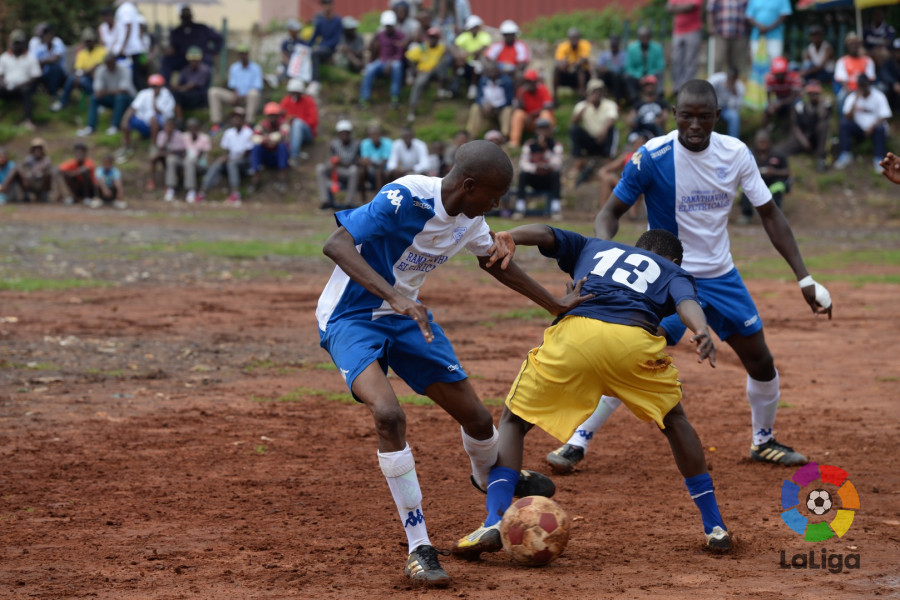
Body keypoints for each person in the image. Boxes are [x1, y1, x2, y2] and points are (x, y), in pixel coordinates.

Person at [315, 139, 573, 586]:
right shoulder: (405, 196)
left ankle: (485, 477)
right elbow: (336, 243)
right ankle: (419, 548)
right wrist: (394, 296)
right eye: (493, 197)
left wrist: (555, 305)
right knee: (389, 415)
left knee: (476, 418)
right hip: (351, 317)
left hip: (406, 316)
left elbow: (495, 262)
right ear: (468, 186)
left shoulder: (471, 219)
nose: (496, 205)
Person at [545, 79, 833, 474]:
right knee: (633, 353)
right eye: (686, 116)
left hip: (721, 276)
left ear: (717, 117)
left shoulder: (736, 154)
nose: (694, 125)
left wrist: (804, 278)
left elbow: (770, 214)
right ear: (674, 115)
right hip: (664, 279)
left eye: (703, 117)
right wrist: (599, 258)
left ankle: (763, 441)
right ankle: (578, 440)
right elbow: (609, 212)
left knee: (761, 361)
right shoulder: (652, 156)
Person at [452, 226, 734, 558]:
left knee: (514, 420)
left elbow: (546, 233)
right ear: (671, 259)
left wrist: (511, 234)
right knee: (674, 421)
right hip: (632, 342)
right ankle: (714, 526)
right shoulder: (675, 271)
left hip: (576, 334)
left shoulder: (595, 245)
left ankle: (493, 520)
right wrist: (700, 329)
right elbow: (687, 304)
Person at [834, 74, 892, 173]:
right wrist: (856, 99)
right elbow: (847, 116)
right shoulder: (853, 97)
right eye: (861, 85)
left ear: (869, 85)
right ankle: (845, 153)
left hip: (875, 129)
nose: (863, 88)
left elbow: (886, 115)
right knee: (844, 124)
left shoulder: (879, 96)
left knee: (881, 128)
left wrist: (872, 127)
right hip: (859, 129)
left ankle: (879, 158)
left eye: (865, 85)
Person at [198, 109, 254, 205]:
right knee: (218, 163)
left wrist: (232, 159)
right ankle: (203, 192)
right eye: (234, 118)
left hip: (245, 162)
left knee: (232, 163)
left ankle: (235, 193)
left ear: (243, 119)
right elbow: (227, 151)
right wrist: (224, 158)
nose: (236, 120)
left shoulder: (248, 132)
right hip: (231, 160)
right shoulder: (229, 133)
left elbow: (247, 153)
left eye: (238, 118)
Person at [775, 80, 831, 172]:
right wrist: (803, 141)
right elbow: (795, 126)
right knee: (784, 149)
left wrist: (820, 103)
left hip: (819, 138)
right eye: (811, 94)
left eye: (816, 94)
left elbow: (823, 116)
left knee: (823, 125)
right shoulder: (800, 106)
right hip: (804, 136)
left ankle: (821, 159)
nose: (813, 96)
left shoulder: (825, 105)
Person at [513, 118, 563, 220]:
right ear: (536, 130)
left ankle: (555, 209)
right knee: (522, 175)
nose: (543, 131)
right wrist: (536, 168)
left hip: (548, 179)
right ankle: (520, 208)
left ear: (550, 130)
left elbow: (557, 163)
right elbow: (523, 163)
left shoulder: (556, 145)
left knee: (556, 174)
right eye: (540, 129)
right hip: (534, 178)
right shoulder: (529, 144)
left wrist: (545, 150)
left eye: (545, 129)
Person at [569, 79, 619, 181]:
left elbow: (612, 119)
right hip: (590, 140)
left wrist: (604, 130)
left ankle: (609, 160)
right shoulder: (582, 105)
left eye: (599, 91)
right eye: (594, 91)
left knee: (612, 130)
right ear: (589, 92)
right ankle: (578, 162)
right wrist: (587, 105)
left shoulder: (610, 104)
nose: (597, 94)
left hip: (604, 139)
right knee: (573, 130)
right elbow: (574, 121)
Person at [119, 74, 176, 161]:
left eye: (156, 86)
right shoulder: (144, 93)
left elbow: (162, 112)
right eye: (153, 86)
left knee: (154, 119)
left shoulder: (166, 95)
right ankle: (126, 147)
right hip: (145, 123)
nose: (154, 88)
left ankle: (153, 146)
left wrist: (154, 99)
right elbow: (133, 108)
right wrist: (125, 120)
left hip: (161, 124)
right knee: (129, 119)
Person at [208, 45, 263, 134]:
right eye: (241, 54)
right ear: (238, 55)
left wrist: (243, 96)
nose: (243, 56)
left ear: (248, 54)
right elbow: (232, 85)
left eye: (245, 53)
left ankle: (249, 123)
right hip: (235, 96)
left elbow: (257, 86)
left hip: (248, 97)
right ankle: (217, 123)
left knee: (254, 93)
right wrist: (236, 94)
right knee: (213, 92)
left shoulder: (256, 68)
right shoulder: (234, 67)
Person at [161, 4, 222, 83]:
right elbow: (173, 47)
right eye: (184, 16)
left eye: (187, 16)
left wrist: (211, 52)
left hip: (201, 58)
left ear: (191, 16)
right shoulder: (177, 32)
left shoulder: (201, 28)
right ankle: (163, 86)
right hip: (183, 59)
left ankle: (204, 90)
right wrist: (170, 50)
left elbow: (219, 39)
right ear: (181, 17)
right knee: (167, 60)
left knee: (207, 63)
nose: (186, 18)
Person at [77, 53, 135, 137]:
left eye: (111, 63)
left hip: (128, 99)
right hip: (111, 98)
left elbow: (123, 90)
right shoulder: (101, 70)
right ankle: (91, 126)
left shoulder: (124, 70)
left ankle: (115, 126)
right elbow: (97, 89)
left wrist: (104, 92)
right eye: (107, 63)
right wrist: (100, 92)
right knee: (94, 98)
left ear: (115, 62)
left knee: (119, 97)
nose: (109, 65)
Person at [739, 129, 789, 224]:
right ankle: (746, 215)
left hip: (772, 181)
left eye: (765, 142)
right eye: (760, 142)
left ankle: (775, 216)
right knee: (743, 187)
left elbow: (787, 172)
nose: (763, 144)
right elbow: (740, 170)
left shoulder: (778, 154)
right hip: (754, 183)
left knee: (778, 186)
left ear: (769, 142)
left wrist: (774, 172)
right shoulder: (748, 153)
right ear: (755, 142)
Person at [359, 11, 406, 109]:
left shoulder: (400, 35)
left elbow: (400, 54)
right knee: (369, 68)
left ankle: (395, 97)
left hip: (394, 61)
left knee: (397, 66)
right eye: (386, 26)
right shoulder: (380, 34)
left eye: (390, 25)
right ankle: (364, 99)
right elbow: (370, 47)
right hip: (381, 61)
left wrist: (391, 62)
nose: (388, 28)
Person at [596, 131, 650, 217]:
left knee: (638, 186)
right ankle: (603, 211)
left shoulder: (648, 157)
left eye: (640, 143)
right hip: (625, 183)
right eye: (636, 143)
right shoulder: (627, 156)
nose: (637, 145)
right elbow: (610, 167)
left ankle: (633, 212)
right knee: (608, 179)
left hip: (639, 184)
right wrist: (602, 172)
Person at [406, 27, 450, 122]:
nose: (432, 39)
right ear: (427, 38)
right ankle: (412, 110)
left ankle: (441, 89)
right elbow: (409, 56)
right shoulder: (422, 47)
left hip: (436, 71)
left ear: (438, 38)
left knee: (445, 61)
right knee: (418, 84)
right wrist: (414, 70)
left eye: (434, 37)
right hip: (424, 71)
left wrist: (443, 40)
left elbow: (447, 54)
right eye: (430, 37)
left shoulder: (441, 47)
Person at [0, 29, 41, 131]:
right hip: (6, 87)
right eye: (16, 43)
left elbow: (35, 76)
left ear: (24, 43)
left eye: (20, 43)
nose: (18, 46)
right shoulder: (4, 57)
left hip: (23, 88)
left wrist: (19, 85)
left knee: (26, 90)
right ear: (11, 43)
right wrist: (5, 84)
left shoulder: (31, 57)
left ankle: (28, 120)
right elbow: (0, 75)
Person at [57, 28, 106, 112]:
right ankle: (62, 102)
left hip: (98, 77)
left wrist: (86, 71)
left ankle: (98, 101)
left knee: (83, 79)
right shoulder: (82, 53)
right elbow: (78, 68)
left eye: (90, 41)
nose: (88, 43)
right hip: (85, 76)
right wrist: (80, 74)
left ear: (94, 40)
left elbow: (98, 66)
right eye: (86, 41)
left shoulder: (102, 51)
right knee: (73, 79)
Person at [317, 119, 361, 209]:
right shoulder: (334, 144)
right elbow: (328, 159)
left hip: (349, 172)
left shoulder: (356, 144)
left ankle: (348, 202)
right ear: (339, 134)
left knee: (354, 169)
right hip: (336, 170)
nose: (344, 135)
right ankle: (325, 201)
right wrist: (333, 162)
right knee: (320, 168)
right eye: (342, 133)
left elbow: (357, 162)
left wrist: (343, 162)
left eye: (346, 133)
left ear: (349, 133)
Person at [249, 103, 290, 194]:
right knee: (256, 148)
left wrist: (266, 138)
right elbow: (254, 137)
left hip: (279, 156)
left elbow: (283, 135)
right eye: (270, 115)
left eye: (274, 115)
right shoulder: (262, 124)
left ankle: (283, 180)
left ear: (278, 115)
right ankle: (255, 179)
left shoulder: (283, 123)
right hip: (267, 155)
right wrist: (267, 140)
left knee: (282, 146)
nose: (272, 118)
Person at [466, 63, 514, 140]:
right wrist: (483, 105)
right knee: (475, 107)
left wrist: (495, 106)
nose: (492, 73)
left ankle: (505, 135)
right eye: (489, 71)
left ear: (498, 71)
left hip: (500, 108)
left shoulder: (506, 81)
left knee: (508, 110)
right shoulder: (483, 80)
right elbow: (479, 96)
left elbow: (508, 100)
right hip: (486, 107)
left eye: (493, 70)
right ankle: (472, 134)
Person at [110, 0, 148, 91]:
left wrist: (122, 47)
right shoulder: (130, 7)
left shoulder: (125, 8)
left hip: (129, 49)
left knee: (134, 78)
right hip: (132, 48)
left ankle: (141, 98)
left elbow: (128, 26)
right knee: (135, 77)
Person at [451, 15, 492, 100]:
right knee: (455, 60)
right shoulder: (466, 35)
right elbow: (455, 45)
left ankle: (473, 87)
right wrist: (458, 55)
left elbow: (483, 48)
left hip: (480, 62)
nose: (473, 30)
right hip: (466, 61)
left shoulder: (484, 35)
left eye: (474, 27)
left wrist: (468, 53)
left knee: (477, 64)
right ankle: (456, 82)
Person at [0, 138, 52, 203]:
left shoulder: (46, 160)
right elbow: (20, 165)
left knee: (48, 173)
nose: (37, 150)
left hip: (41, 183)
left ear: (43, 150)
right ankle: (25, 194)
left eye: (40, 148)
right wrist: (24, 175)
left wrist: (34, 171)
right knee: (18, 169)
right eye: (35, 148)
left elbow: (40, 168)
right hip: (30, 181)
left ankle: (45, 194)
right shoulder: (29, 158)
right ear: (32, 149)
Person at [667, 0, 703, 94]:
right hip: (678, 31)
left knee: (690, 61)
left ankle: (688, 87)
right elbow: (669, 8)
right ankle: (677, 88)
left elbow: (690, 7)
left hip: (693, 30)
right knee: (676, 60)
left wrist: (676, 8)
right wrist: (683, 7)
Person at [280, 79, 319, 165]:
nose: (294, 95)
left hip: (306, 134)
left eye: (296, 92)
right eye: (292, 92)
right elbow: (281, 118)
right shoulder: (286, 100)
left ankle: (294, 156)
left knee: (297, 124)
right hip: (289, 132)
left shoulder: (309, 101)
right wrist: (287, 119)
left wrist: (297, 119)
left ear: (301, 92)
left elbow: (314, 121)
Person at [30, 24, 67, 109]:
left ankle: (53, 95)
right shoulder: (41, 48)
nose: (48, 36)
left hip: (60, 75)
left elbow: (55, 59)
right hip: (45, 74)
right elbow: (34, 62)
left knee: (54, 68)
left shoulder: (58, 43)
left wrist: (43, 61)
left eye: (50, 34)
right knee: (34, 73)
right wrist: (46, 61)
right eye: (46, 34)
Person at [706, 0, 749, 76]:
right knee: (718, 61)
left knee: (737, 64)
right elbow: (710, 10)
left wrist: (748, 31)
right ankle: (716, 84)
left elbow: (749, 13)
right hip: (721, 34)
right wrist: (710, 27)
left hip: (739, 34)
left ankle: (735, 85)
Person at [834, 32, 875, 109]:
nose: (854, 46)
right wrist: (851, 93)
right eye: (851, 44)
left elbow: (870, 79)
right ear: (847, 46)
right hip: (848, 90)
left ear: (860, 45)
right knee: (840, 98)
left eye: (856, 43)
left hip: (865, 89)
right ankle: (844, 120)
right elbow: (843, 81)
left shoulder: (868, 60)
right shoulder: (842, 61)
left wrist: (862, 92)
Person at [624, 27, 665, 102]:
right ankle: (635, 100)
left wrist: (649, 76)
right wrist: (639, 76)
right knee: (628, 76)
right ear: (638, 37)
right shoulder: (631, 48)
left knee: (660, 73)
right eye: (642, 36)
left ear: (650, 37)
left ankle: (659, 99)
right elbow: (628, 67)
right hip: (637, 77)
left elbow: (660, 66)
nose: (644, 39)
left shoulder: (657, 48)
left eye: (646, 36)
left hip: (653, 75)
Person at [171, 46, 212, 120]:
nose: (193, 62)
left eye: (195, 60)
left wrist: (182, 88)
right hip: (186, 96)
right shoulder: (185, 70)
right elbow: (177, 84)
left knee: (177, 95)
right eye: (191, 60)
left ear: (199, 60)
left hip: (198, 97)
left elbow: (192, 85)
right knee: (174, 95)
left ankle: (179, 119)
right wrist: (178, 87)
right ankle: (178, 120)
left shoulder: (204, 70)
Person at [309, 0, 344, 82]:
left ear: (331, 6)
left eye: (327, 5)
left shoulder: (337, 21)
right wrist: (304, 45)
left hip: (331, 48)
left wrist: (322, 46)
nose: (326, 7)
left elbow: (336, 39)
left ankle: (315, 81)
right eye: (324, 5)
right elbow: (314, 37)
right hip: (321, 48)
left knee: (315, 53)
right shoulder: (320, 21)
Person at [151, 117, 186, 198]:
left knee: (171, 159)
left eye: (171, 126)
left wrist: (165, 153)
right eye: (167, 125)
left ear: (174, 126)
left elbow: (179, 151)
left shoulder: (178, 134)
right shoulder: (162, 134)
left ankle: (170, 188)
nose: (169, 127)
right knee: (154, 158)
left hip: (178, 159)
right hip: (165, 156)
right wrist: (167, 137)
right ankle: (152, 180)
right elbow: (160, 148)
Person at [763, 56, 802, 129]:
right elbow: (768, 96)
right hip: (780, 98)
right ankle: (764, 131)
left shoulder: (794, 76)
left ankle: (794, 130)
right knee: (767, 109)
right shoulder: (769, 78)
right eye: (777, 74)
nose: (779, 76)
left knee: (796, 108)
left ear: (786, 71)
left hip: (794, 99)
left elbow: (793, 97)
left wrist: (780, 103)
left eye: (781, 73)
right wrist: (771, 105)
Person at [179, 118, 211, 203]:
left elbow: (202, 154)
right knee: (186, 162)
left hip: (200, 164)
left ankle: (191, 190)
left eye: (195, 127)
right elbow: (182, 152)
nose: (193, 130)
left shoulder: (204, 138)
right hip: (186, 162)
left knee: (189, 162)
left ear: (199, 128)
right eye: (190, 127)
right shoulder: (184, 137)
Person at [554, 28, 591, 99]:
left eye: (576, 37)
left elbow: (584, 59)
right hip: (567, 73)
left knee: (580, 69)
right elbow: (558, 61)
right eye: (572, 38)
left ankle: (582, 97)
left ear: (579, 37)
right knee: (556, 70)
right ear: (568, 38)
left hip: (582, 74)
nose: (574, 40)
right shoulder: (563, 46)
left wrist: (571, 63)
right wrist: (562, 64)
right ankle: (555, 98)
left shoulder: (585, 44)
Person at [708, 67, 745, 138]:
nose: (730, 80)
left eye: (733, 79)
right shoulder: (717, 79)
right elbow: (705, 90)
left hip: (725, 110)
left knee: (734, 117)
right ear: (727, 75)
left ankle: (734, 142)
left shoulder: (739, 87)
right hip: (711, 107)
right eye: (729, 78)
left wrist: (735, 94)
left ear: (736, 78)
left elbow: (737, 108)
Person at [359, 121, 393, 192]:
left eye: (376, 134)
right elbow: (365, 161)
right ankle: (363, 197)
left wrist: (370, 161)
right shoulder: (365, 143)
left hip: (385, 170)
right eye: (372, 135)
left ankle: (379, 195)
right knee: (361, 171)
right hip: (370, 170)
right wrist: (368, 162)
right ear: (369, 136)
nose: (374, 137)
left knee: (378, 172)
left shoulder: (388, 143)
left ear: (380, 135)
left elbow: (383, 163)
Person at [594, 35, 628, 104]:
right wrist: (600, 68)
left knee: (616, 76)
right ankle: (599, 100)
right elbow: (599, 65)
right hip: (607, 78)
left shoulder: (624, 55)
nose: (613, 47)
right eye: (612, 45)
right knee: (600, 77)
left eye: (615, 45)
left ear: (618, 44)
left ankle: (618, 101)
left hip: (619, 79)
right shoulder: (604, 54)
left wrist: (609, 70)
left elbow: (623, 68)